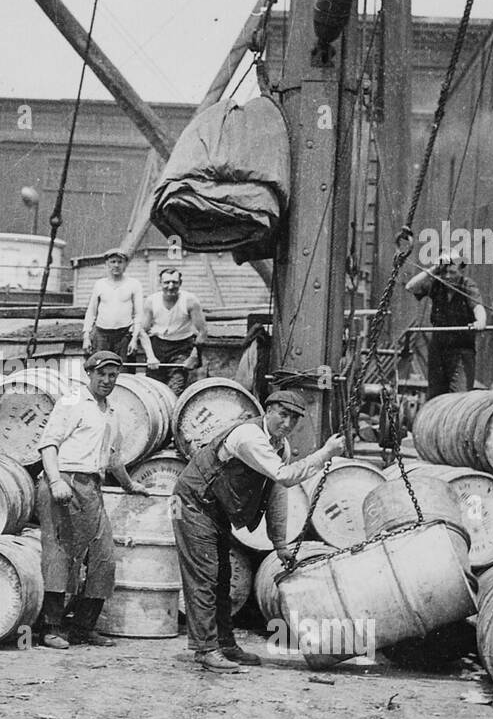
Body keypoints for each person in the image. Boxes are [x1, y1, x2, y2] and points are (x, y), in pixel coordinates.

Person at [172, 390, 345, 673]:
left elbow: (277, 493)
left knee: (222, 576)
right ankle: (205, 649)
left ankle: (225, 644)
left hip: (215, 507)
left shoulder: (281, 446)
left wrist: (279, 544)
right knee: (205, 575)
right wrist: (325, 453)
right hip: (189, 502)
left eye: (294, 419)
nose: (287, 423)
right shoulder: (249, 436)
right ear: (268, 410)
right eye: (282, 415)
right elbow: (285, 477)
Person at [36, 351, 151, 649]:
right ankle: (51, 628)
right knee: (60, 555)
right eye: (102, 374)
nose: (107, 380)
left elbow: (113, 459)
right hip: (64, 482)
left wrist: (130, 485)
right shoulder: (72, 402)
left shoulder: (111, 412)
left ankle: (83, 628)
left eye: (113, 375)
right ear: (90, 373)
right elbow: (48, 444)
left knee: (103, 558)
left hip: (92, 488)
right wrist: (56, 480)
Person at [405, 253, 487, 400]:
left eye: (452, 272)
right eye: (445, 272)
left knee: (459, 397)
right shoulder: (436, 284)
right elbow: (410, 286)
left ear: (461, 270)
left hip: (462, 350)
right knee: (436, 397)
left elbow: (478, 307)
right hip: (438, 349)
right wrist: (435, 268)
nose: (448, 276)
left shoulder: (468, 285)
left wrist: (480, 321)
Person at [138, 266, 208, 396]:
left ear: (180, 283)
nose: (170, 286)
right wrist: (150, 356)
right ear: (160, 284)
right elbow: (142, 330)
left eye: (174, 282)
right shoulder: (151, 301)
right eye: (166, 282)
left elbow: (203, 331)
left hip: (181, 347)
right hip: (158, 346)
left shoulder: (190, 301)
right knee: (153, 390)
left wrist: (193, 357)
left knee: (175, 389)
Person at [82, 248, 143, 360]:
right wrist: (86, 337)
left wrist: (134, 339)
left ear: (125, 264)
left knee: (124, 372)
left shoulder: (134, 284)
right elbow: (91, 313)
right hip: (102, 334)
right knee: (100, 367)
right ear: (107, 264)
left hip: (124, 334)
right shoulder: (99, 284)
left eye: (120, 262)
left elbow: (139, 314)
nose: (116, 265)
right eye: (113, 262)